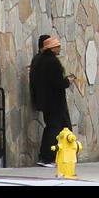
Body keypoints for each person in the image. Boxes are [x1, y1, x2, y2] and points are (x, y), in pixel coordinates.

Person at [31, 35, 75, 166]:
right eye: (58, 46)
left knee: (53, 127)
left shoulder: (38, 60)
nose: (59, 48)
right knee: (55, 128)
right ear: (52, 47)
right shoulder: (52, 62)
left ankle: (50, 156)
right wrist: (68, 81)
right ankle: (47, 157)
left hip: (45, 101)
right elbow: (58, 82)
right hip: (55, 101)